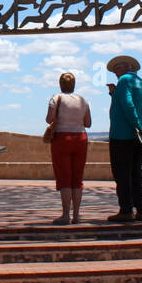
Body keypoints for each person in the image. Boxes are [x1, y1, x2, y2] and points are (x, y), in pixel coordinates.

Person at [106, 55, 142, 222]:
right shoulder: (139, 82)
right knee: (136, 173)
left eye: (117, 68)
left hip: (121, 134)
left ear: (126, 67)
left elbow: (127, 104)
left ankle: (126, 210)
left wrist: (136, 124)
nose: (115, 72)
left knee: (122, 174)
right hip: (137, 136)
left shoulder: (124, 81)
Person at [45, 72, 92, 224]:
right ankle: (77, 215)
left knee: (65, 178)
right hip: (80, 138)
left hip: (62, 138)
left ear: (60, 84)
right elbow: (88, 123)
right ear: (74, 84)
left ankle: (66, 215)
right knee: (77, 179)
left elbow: (49, 119)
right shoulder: (83, 100)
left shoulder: (56, 98)